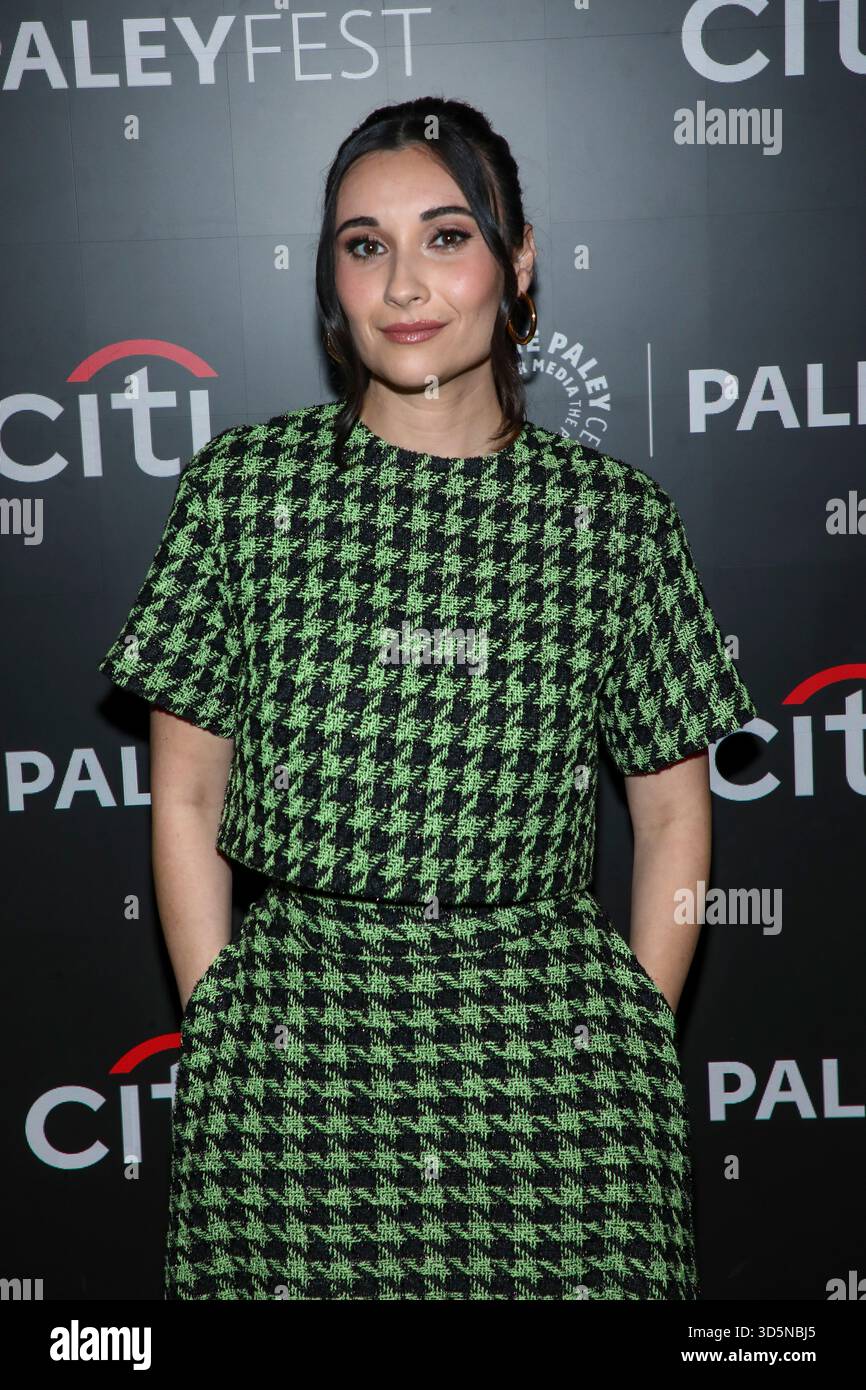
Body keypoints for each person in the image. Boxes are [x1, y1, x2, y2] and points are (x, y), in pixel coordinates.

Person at [97, 96, 758, 1300]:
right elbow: (187, 796)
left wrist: (628, 1038)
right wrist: (226, 1021)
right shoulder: (243, 494)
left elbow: (671, 815)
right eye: (364, 245)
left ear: (516, 262)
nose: (402, 282)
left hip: (555, 1069)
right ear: (330, 279)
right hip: (295, 1060)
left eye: (444, 237)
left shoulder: (610, 520)